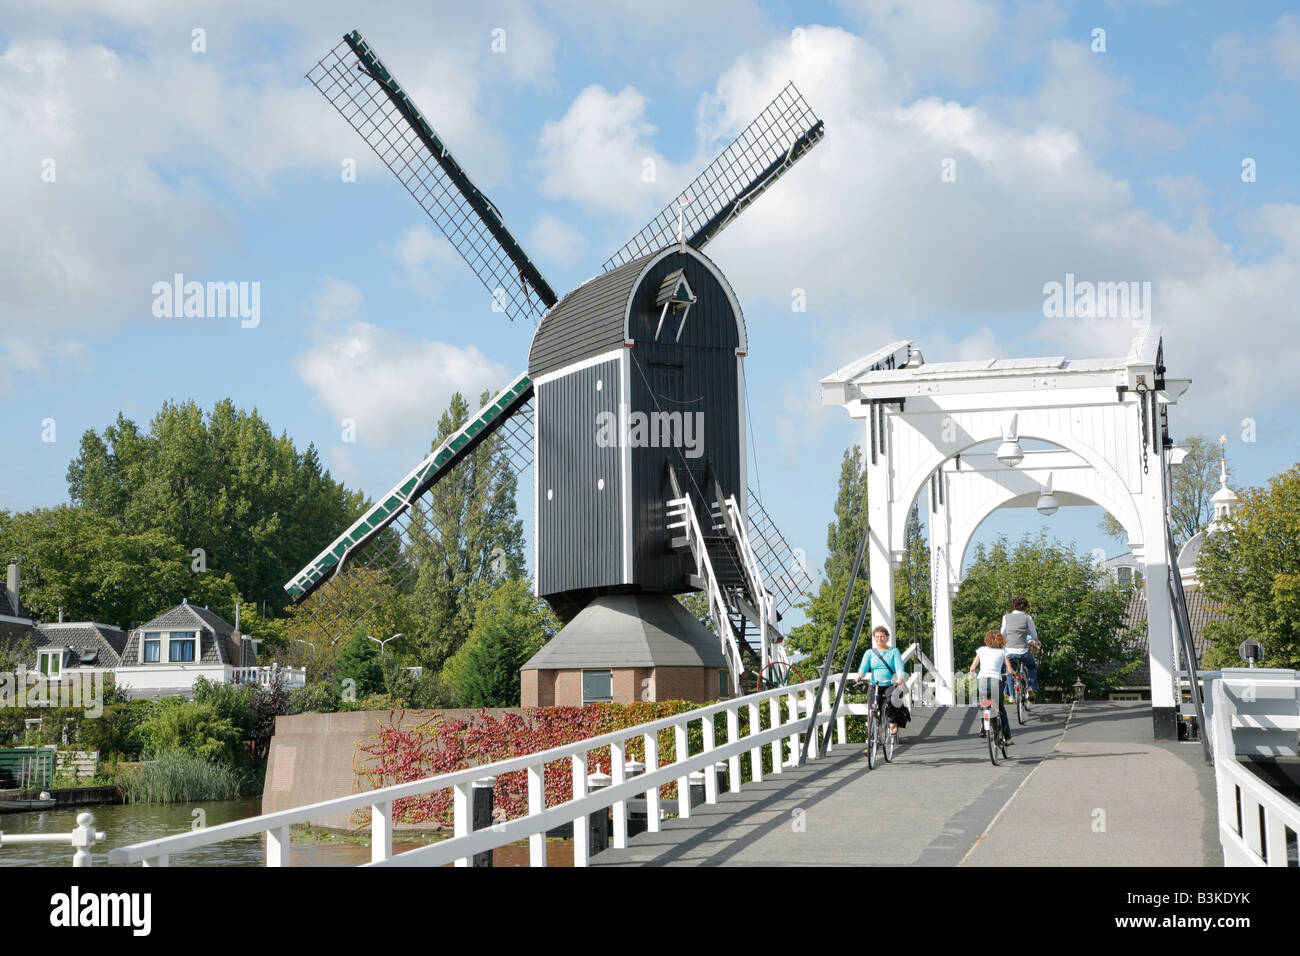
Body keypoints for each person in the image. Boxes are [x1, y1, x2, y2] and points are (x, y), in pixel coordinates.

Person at [855, 625, 908, 742]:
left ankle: (892, 723)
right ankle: (872, 740)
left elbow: (899, 666)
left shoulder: (893, 651)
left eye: (882, 636)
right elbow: (863, 668)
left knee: (892, 700)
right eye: (877, 636)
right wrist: (859, 676)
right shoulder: (869, 653)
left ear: (887, 638)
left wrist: (900, 677)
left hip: (889, 684)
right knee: (872, 709)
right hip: (875, 685)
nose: (880, 639)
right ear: (874, 638)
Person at [968, 630, 1013, 745]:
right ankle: (1008, 738)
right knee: (1001, 709)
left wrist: (972, 675)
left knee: (984, 703)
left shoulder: (981, 650)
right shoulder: (1003, 652)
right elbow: (1010, 669)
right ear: (1000, 640)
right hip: (995, 681)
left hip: (982, 681)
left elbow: (972, 668)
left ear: (987, 640)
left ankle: (983, 723)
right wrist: (1012, 674)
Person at [1001, 596, 1041, 703]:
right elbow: (1033, 633)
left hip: (1009, 651)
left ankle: (1011, 695)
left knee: (1009, 671)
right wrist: (1037, 640)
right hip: (1023, 651)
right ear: (1025, 607)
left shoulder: (1006, 617)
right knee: (1032, 666)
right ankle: (1030, 687)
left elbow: (1003, 633)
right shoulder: (1028, 618)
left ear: (1013, 605)